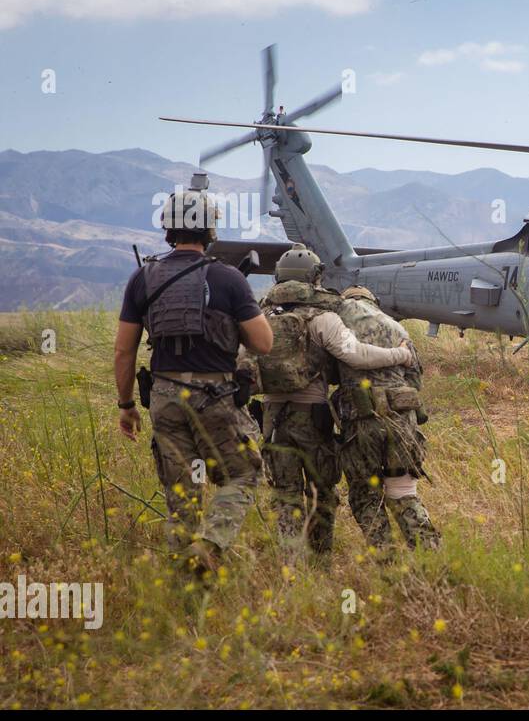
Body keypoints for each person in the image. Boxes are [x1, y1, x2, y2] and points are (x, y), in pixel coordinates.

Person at [114, 181, 273, 580]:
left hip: (164, 398)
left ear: (167, 229)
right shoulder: (229, 279)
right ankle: (211, 544)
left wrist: (127, 405)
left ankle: (186, 588)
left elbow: (123, 351)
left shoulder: (142, 279)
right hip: (215, 396)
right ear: (210, 231)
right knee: (243, 473)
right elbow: (263, 343)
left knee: (180, 492)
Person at [250, 244, 416, 564]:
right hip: (312, 416)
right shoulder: (323, 316)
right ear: (315, 278)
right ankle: (321, 560)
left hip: (271, 418)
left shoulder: (259, 315)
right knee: (322, 491)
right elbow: (356, 354)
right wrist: (399, 355)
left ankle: (290, 564)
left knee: (285, 495)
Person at [333, 286, 439, 551]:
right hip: (402, 420)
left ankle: (387, 561)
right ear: (373, 302)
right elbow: (414, 380)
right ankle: (430, 553)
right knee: (403, 492)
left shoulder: (337, 324)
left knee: (366, 496)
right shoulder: (397, 328)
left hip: (361, 423)